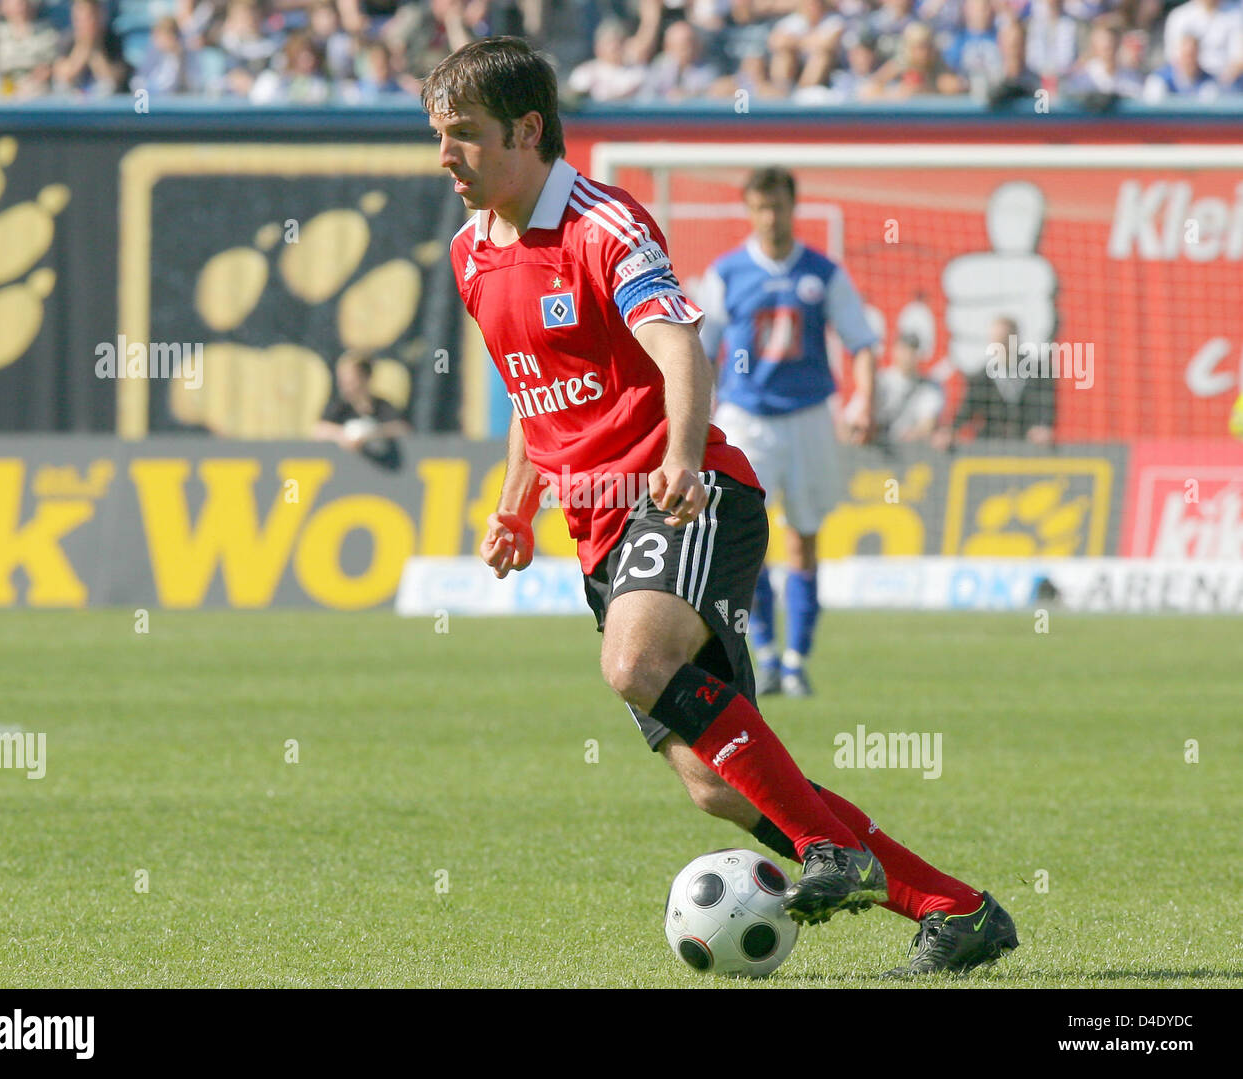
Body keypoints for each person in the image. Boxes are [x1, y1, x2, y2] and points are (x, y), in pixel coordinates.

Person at [425, 36, 1018, 976]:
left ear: (527, 130)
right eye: (437, 137)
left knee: (635, 662)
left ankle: (836, 854)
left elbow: (682, 353)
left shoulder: (603, 224)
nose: (445, 157)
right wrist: (513, 507)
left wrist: (685, 456)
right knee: (718, 785)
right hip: (598, 532)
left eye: (462, 136)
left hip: (687, 492)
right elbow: (531, 393)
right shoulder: (471, 253)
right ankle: (956, 908)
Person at [697, 166, 876, 700]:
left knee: (803, 538)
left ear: (794, 208)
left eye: (778, 206)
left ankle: (797, 661)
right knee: (748, 540)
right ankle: (768, 656)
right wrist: (698, 420)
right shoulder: (727, 273)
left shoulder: (823, 273)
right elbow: (702, 353)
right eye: (760, 207)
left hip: (808, 416)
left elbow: (860, 341)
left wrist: (862, 398)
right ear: (749, 211)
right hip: (746, 418)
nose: (770, 217)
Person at [932, 315, 1055, 448]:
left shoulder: (1039, 373)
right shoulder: (982, 378)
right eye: (995, 341)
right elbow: (966, 410)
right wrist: (949, 431)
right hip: (992, 449)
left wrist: (1043, 428)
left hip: (1028, 447)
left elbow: (1046, 405)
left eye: (1003, 341)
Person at [313, 352, 410, 469]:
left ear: (365, 378)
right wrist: (342, 435)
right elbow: (319, 430)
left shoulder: (382, 406)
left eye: (350, 381)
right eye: (342, 381)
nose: (345, 386)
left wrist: (370, 434)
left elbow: (402, 428)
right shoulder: (338, 407)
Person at [875, 330, 944, 443]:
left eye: (912, 350)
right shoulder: (880, 381)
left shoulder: (929, 387)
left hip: (911, 451)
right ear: (894, 351)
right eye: (903, 349)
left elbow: (927, 424)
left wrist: (912, 434)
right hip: (878, 449)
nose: (907, 355)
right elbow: (855, 415)